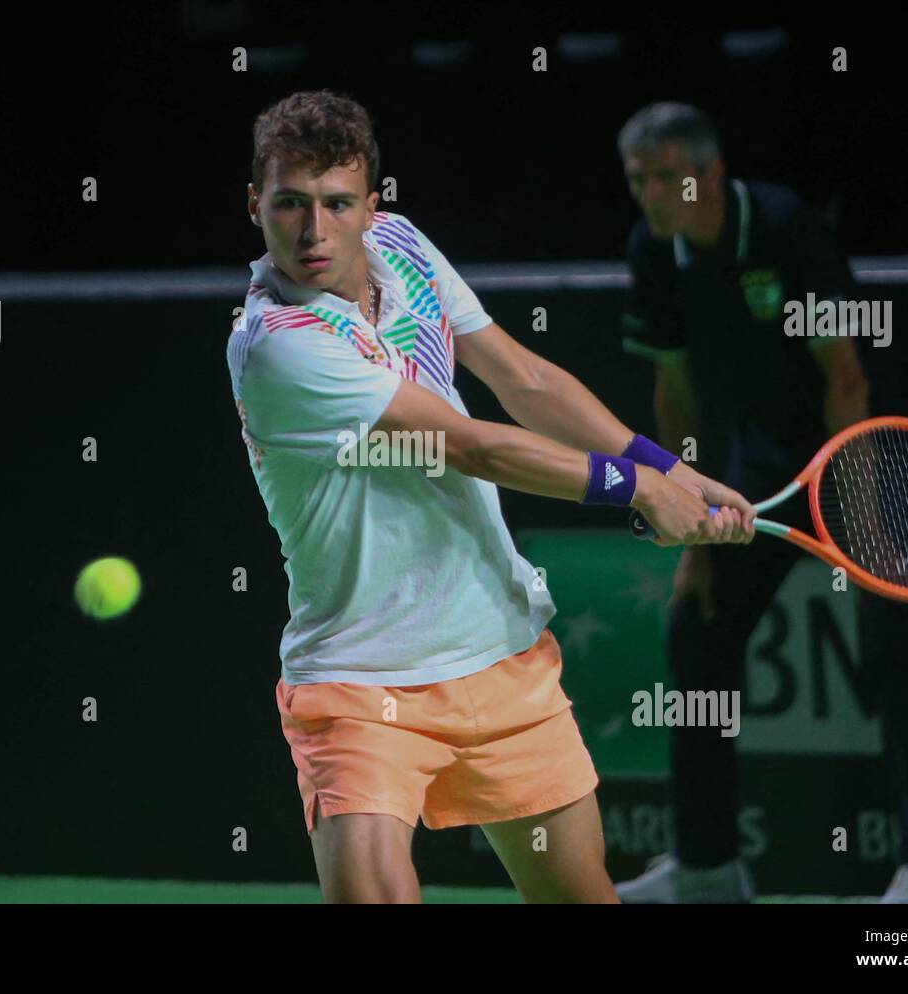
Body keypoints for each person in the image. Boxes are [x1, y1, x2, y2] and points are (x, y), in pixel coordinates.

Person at [227, 89, 756, 904]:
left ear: (373, 205)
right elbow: (470, 445)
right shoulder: (278, 346)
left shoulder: (401, 246)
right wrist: (635, 489)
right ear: (255, 203)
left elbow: (524, 378)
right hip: (363, 680)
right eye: (290, 204)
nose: (313, 231)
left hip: (501, 648)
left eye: (337, 204)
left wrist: (670, 471)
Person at [614, 102, 908, 903]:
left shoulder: (783, 226)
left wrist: (867, 522)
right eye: (639, 180)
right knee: (697, 631)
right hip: (762, 464)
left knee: (890, 643)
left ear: (711, 173)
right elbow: (676, 393)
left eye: (668, 176)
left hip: (863, 446)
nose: (653, 194)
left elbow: (846, 378)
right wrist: (694, 529)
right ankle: (707, 863)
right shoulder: (652, 250)